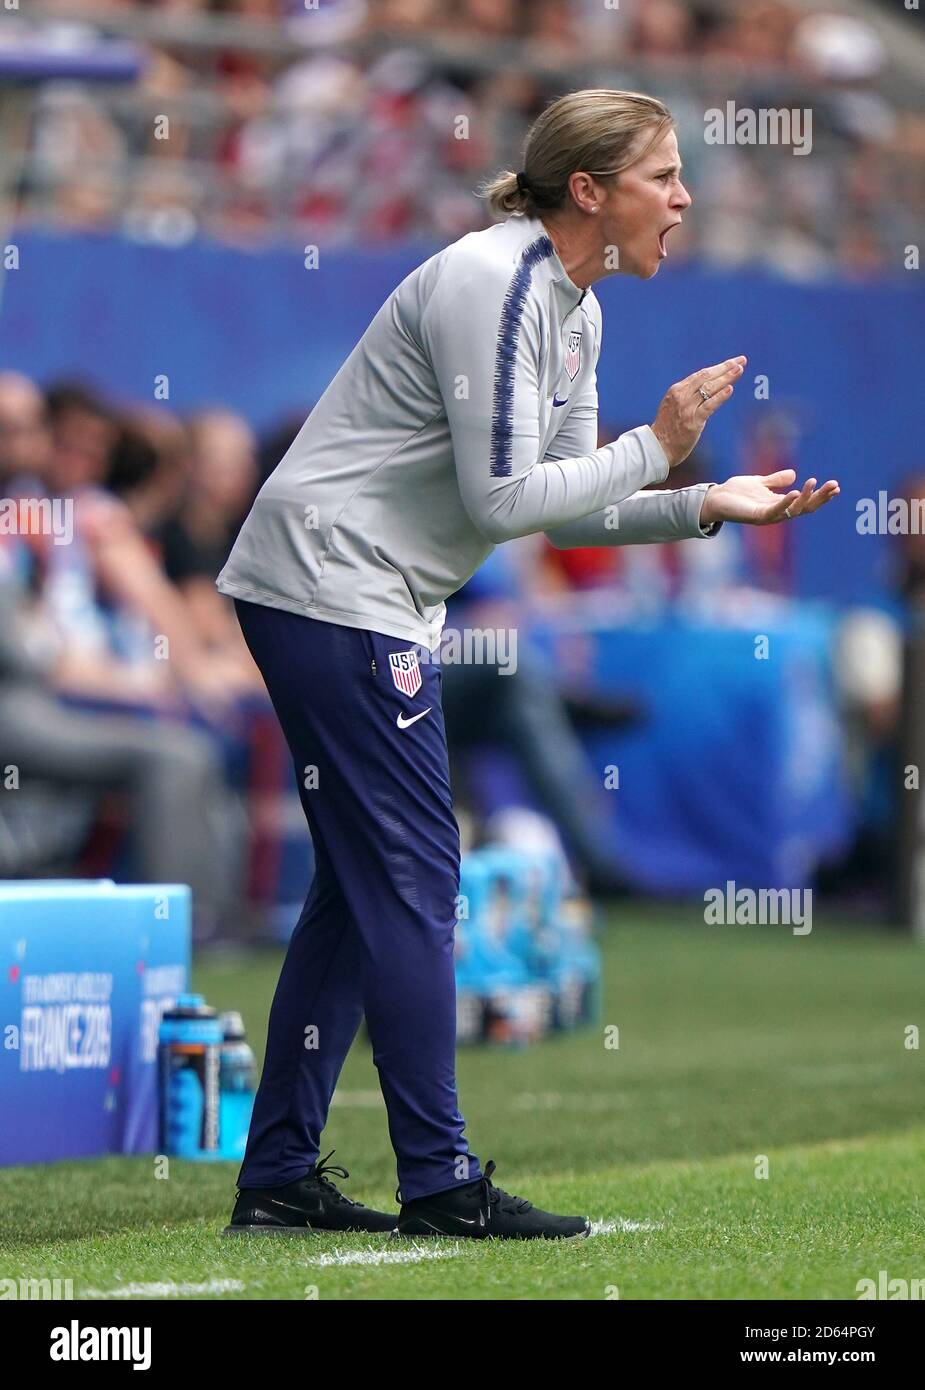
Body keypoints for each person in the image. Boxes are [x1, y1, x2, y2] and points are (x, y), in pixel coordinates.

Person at [216, 88, 839, 1241]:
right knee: (415, 875)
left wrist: (700, 499)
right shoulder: (495, 280)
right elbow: (500, 499)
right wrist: (656, 444)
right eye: (664, 175)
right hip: (332, 585)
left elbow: (568, 515)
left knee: (362, 890)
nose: (687, 197)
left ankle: (280, 1174)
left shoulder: (574, 307)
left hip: (353, 591)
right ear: (591, 191)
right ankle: (441, 1182)